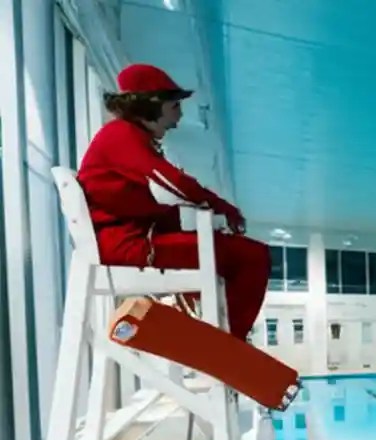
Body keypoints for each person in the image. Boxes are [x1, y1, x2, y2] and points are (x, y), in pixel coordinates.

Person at [77, 63, 268, 341]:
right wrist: (221, 207)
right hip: (128, 246)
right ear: (154, 104)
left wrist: (198, 214)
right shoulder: (122, 135)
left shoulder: (124, 136)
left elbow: (139, 203)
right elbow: (170, 182)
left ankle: (211, 330)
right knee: (252, 256)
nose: (179, 116)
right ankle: (230, 342)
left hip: (129, 239)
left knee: (226, 250)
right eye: (175, 106)